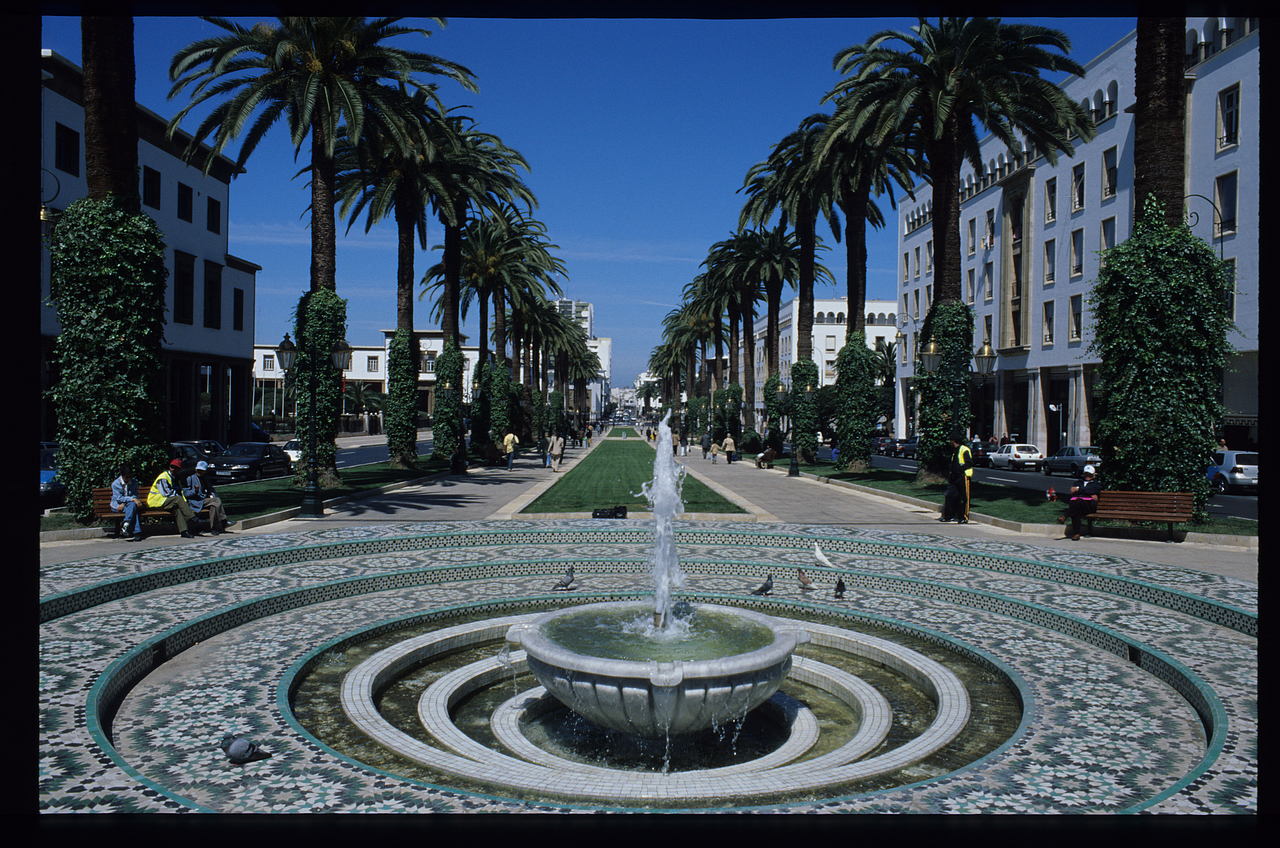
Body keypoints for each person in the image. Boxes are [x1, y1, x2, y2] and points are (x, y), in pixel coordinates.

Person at [148, 458, 199, 538]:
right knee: (178, 499)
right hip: (157, 502)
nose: (173, 469)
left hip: (167, 502)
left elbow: (179, 492)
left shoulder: (175, 478)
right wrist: (179, 498)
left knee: (177, 509)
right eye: (172, 466)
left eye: (175, 467)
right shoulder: (163, 477)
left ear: (179, 469)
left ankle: (184, 531)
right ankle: (192, 518)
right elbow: (166, 493)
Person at [184, 460, 229, 534]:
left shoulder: (205, 478)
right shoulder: (190, 478)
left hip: (204, 500)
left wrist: (212, 495)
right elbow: (186, 494)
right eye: (199, 470)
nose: (200, 472)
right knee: (217, 501)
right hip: (195, 502)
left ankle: (214, 528)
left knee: (214, 506)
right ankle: (223, 520)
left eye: (202, 470)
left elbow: (211, 489)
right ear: (196, 469)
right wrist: (194, 491)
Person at [1060, 465, 1102, 541]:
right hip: (1078, 506)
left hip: (1089, 507)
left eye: (1089, 474)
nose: (1087, 476)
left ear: (1093, 475)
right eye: (1086, 474)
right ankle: (1076, 534)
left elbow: (1093, 491)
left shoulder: (1096, 484)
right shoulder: (1078, 482)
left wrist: (1078, 489)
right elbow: (1072, 490)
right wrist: (1087, 492)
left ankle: (1065, 516)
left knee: (1076, 503)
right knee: (1076, 508)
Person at [939, 432, 974, 523]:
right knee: (950, 496)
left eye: (951, 441)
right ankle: (948, 516)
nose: (950, 442)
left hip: (963, 476)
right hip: (954, 477)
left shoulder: (964, 449)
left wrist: (959, 470)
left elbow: (969, 463)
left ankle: (964, 518)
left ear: (954, 441)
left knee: (964, 498)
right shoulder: (955, 451)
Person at [111, 463, 146, 542]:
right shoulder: (115, 484)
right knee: (133, 508)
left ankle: (126, 523)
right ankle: (137, 532)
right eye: (127, 477)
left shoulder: (134, 482)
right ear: (122, 476)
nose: (128, 479)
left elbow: (135, 495)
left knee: (132, 506)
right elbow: (119, 498)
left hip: (129, 505)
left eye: (130, 476)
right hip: (118, 505)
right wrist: (131, 500)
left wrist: (132, 500)